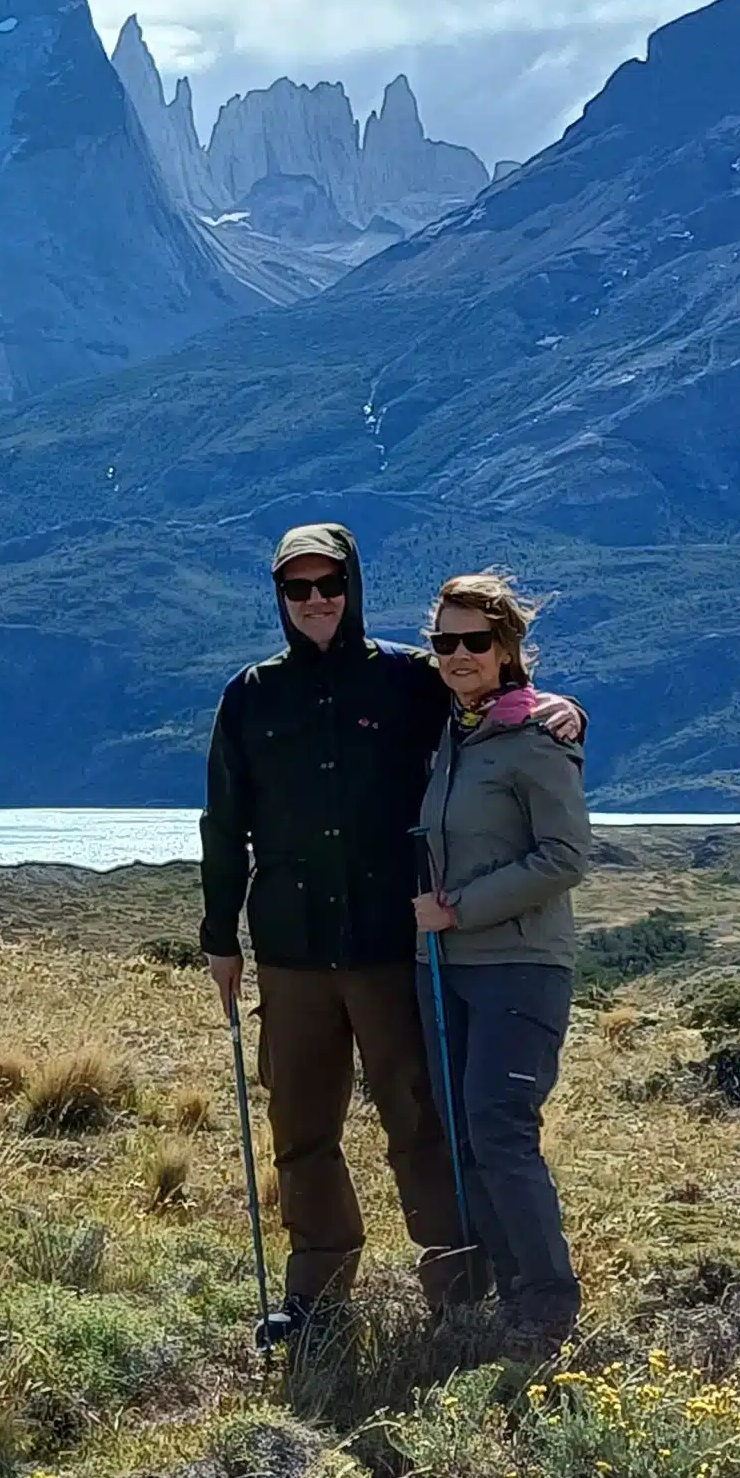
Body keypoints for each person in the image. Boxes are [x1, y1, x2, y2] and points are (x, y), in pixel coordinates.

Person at [200, 525, 580, 1337]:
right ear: (279, 598)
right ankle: (317, 1299)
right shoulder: (250, 695)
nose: (315, 601)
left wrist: (557, 705)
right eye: (297, 589)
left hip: (392, 950)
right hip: (290, 951)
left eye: (328, 583)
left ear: (353, 584)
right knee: (302, 1128)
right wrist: (218, 936)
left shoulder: (412, 681)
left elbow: (496, 707)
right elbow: (224, 823)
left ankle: (459, 1288)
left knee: (419, 1121)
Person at [412, 572, 592, 1356]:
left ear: (508, 648)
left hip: (520, 965)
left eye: (475, 642)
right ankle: (504, 1293)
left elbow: (564, 857)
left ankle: (547, 1304)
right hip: (445, 969)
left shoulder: (537, 736)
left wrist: (458, 908)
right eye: (443, 641)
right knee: (464, 1133)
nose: (458, 654)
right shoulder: (449, 731)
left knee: (499, 1127)